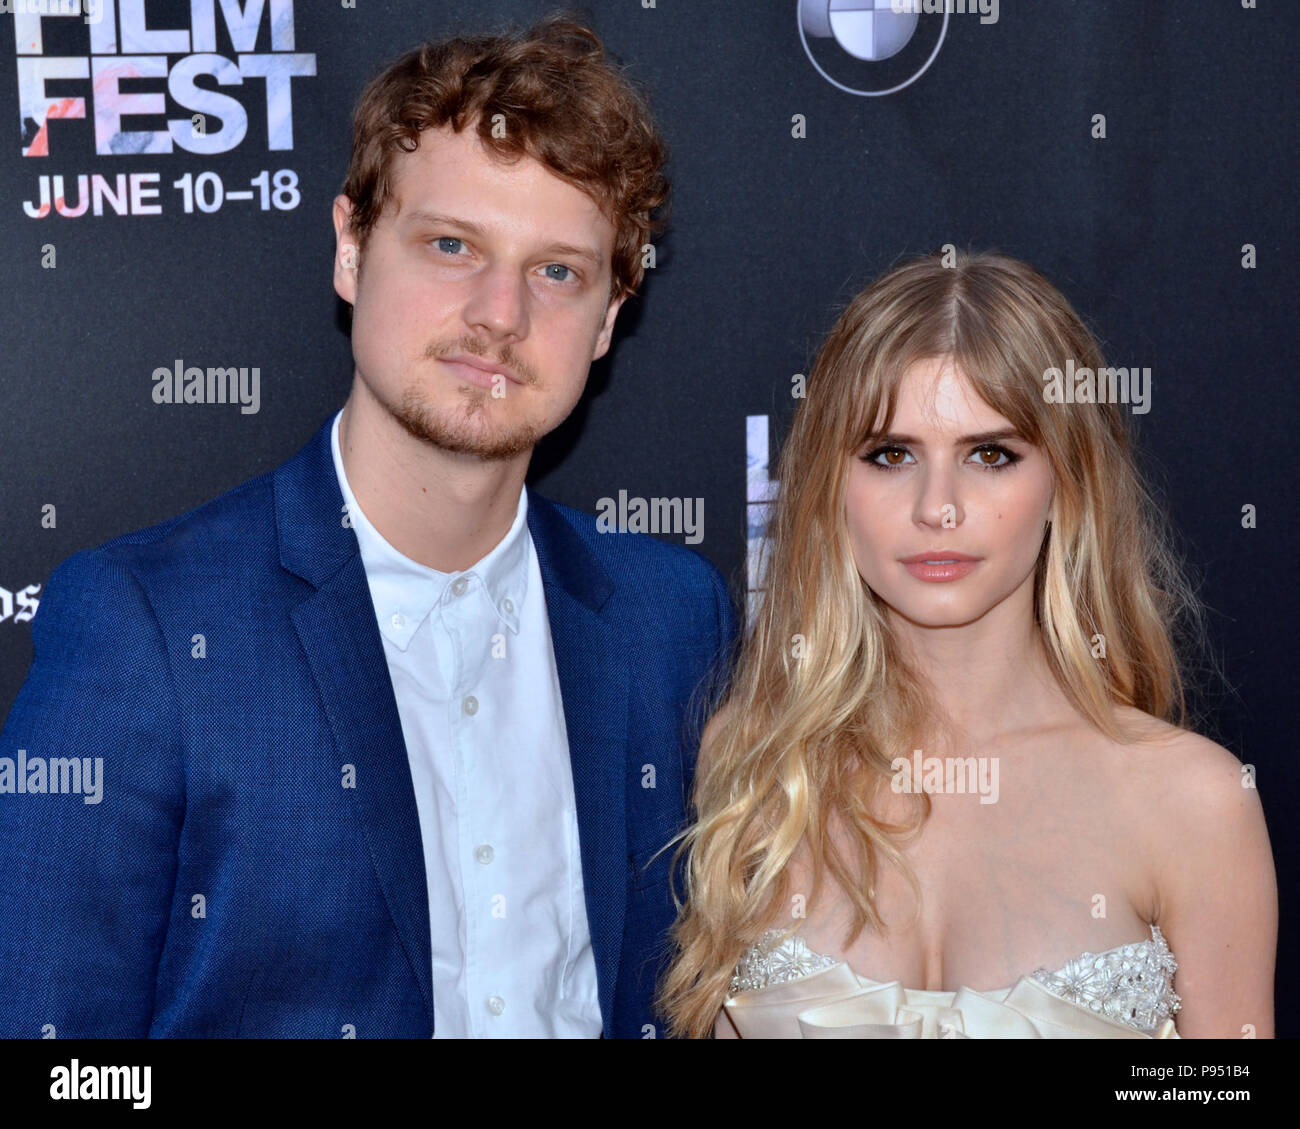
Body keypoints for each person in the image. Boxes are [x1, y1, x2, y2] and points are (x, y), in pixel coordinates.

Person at [0, 15, 737, 1039]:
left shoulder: (671, 618)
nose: (500, 314)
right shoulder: (152, 627)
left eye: (558, 272)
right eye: (450, 245)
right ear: (351, 247)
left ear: (610, 317)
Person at [657, 251, 1277, 1039]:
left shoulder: (1193, 800)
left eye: (991, 455)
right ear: (827, 487)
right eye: (891, 454)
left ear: (1068, 484)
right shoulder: (752, 764)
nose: (937, 507)